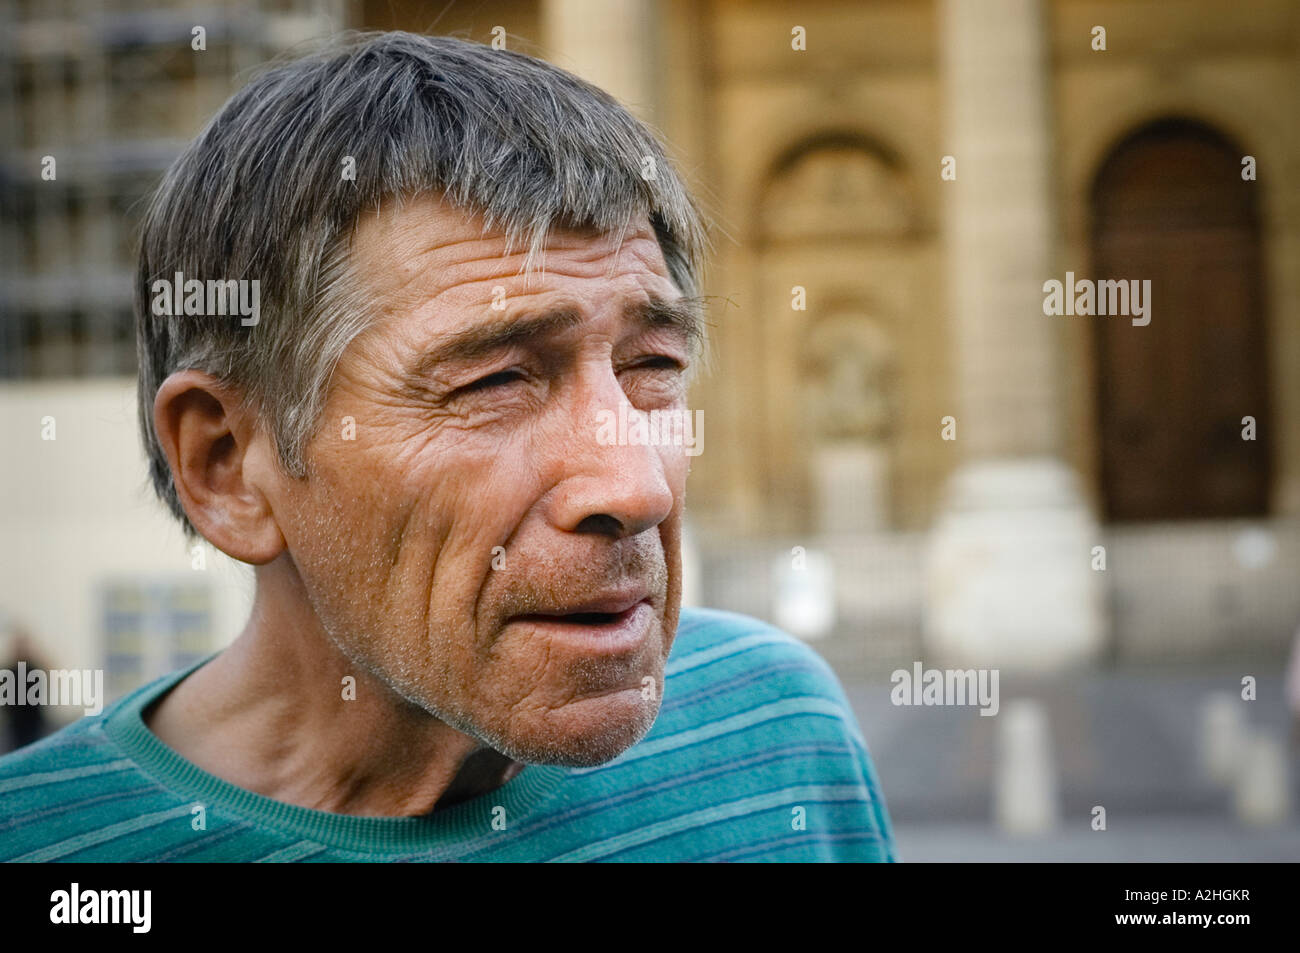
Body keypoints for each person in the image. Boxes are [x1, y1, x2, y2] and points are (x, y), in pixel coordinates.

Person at [0, 32, 895, 862]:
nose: (636, 483)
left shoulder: (777, 734)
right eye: (497, 380)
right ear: (227, 464)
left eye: (652, 362)